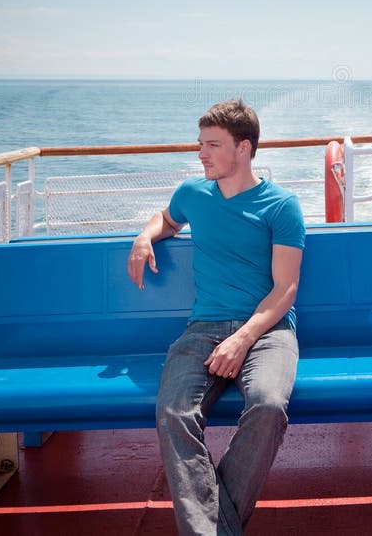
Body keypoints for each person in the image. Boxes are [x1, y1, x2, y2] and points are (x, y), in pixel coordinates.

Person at [127, 99, 305, 536]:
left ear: (243, 149)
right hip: (204, 327)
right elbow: (168, 221)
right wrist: (143, 236)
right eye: (200, 143)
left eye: (212, 144)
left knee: (267, 406)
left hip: (267, 331)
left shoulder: (281, 206)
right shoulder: (193, 193)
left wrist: (242, 339)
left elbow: (285, 289)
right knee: (173, 411)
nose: (201, 153)